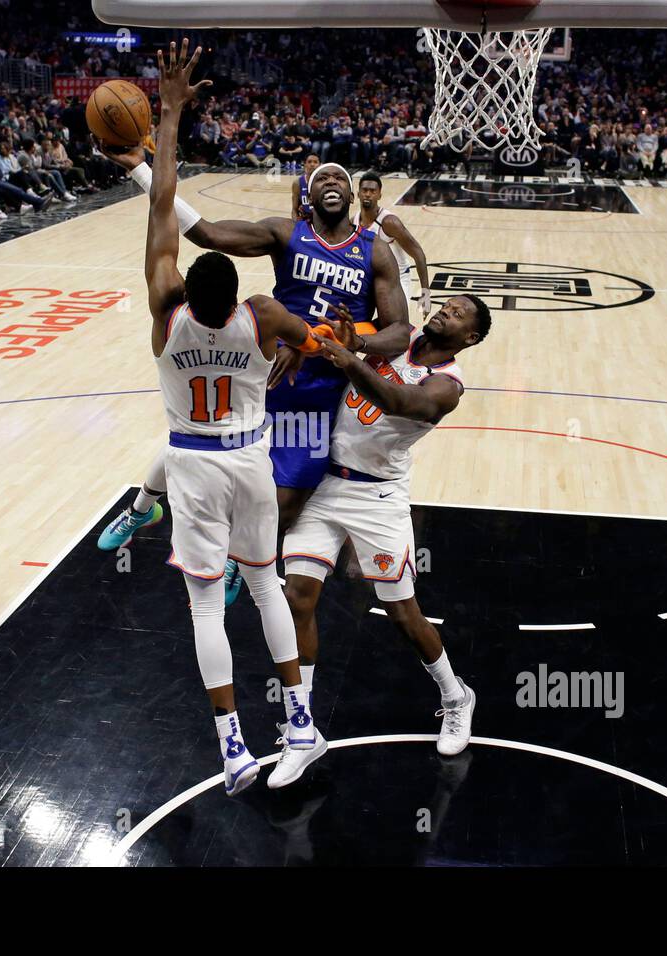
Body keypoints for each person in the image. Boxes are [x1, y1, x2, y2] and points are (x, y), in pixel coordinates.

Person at [99, 105, 410, 605]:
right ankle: (146, 507)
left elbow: (400, 332)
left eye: (338, 176)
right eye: (320, 177)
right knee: (196, 434)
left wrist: (353, 343)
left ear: (352, 194)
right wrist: (140, 167)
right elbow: (204, 233)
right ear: (308, 194)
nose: (329, 180)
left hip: (321, 388)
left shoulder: (375, 251)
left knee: (285, 504)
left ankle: (239, 563)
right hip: (266, 368)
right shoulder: (286, 234)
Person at [139, 40, 328, 794]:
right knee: (267, 589)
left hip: (192, 465)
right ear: (239, 293)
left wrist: (169, 114)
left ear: (184, 290)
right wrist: (299, 356)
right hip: (253, 461)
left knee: (204, 603)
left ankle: (232, 747)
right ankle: (301, 721)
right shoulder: (262, 314)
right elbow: (318, 339)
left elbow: (163, 208)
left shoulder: (165, 314)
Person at [276, 294, 491, 781]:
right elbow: (349, 340)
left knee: (402, 612)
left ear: (470, 338)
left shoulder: (447, 387)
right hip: (325, 482)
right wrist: (340, 339)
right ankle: (302, 727)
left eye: (459, 315)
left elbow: (396, 400)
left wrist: (353, 356)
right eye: (447, 306)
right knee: (298, 597)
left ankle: (455, 696)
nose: (446, 313)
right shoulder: (397, 339)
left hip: (379, 499)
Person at [355, 170, 430, 314]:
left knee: (397, 323)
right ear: (358, 193)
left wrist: (425, 294)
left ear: (379, 195)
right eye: (364, 190)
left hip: (397, 280)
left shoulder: (389, 222)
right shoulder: (354, 221)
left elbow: (419, 254)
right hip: (372, 279)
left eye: (372, 191)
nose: (368, 194)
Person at [290, 152, 319, 220]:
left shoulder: (325, 182)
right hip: (305, 220)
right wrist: (296, 225)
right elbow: (294, 210)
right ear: (305, 164)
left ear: (320, 165)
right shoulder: (297, 183)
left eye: (315, 162)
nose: (312, 164)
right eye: (309, 162)